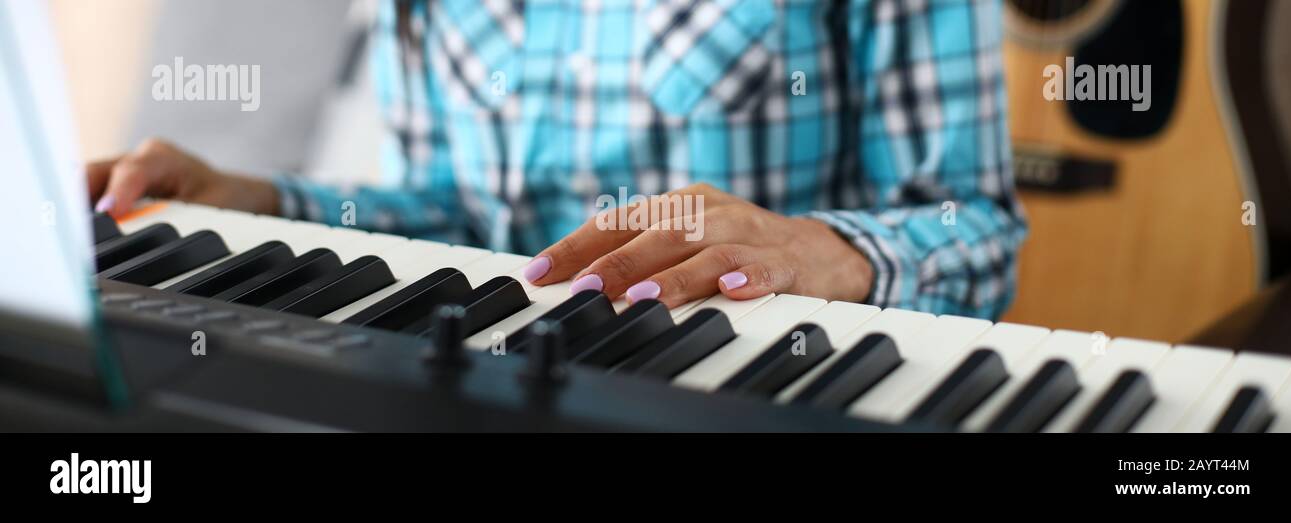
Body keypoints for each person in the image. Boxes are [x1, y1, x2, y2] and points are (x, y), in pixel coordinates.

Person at [87, 0, 1025, 319]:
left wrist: (829, 250)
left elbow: (973, 226)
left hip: (763, 379)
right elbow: (457, 216)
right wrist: (249, 205)